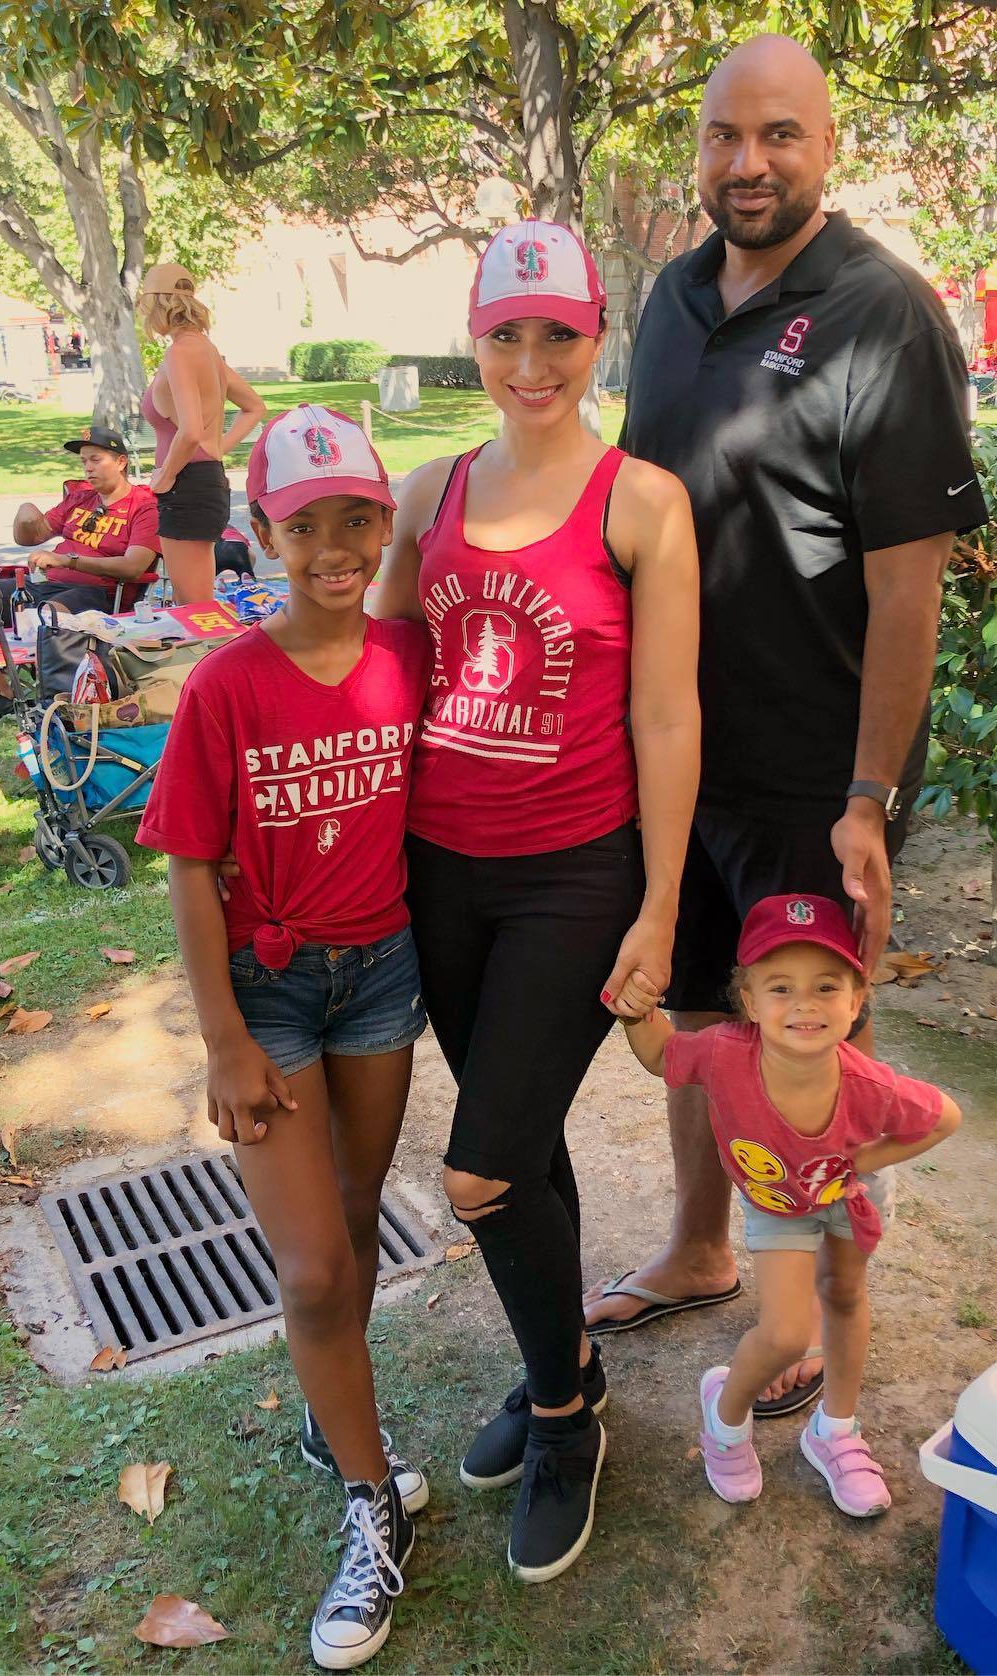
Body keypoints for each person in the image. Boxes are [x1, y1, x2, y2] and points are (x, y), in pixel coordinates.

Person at [585, 33, 987, 1423]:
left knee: (798, 1046)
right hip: (682, 752)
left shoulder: (886, 313)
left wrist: (869, 798)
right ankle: (706, 1246)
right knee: (701, 1011)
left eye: (777, 137)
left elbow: (907, 586)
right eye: (722, 137)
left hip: (819, 774)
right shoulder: (674, 297)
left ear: (827, 146)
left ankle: (801, 1309)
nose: (746, 164)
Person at [376, 219, 700, 1584]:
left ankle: (565, 1418)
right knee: (531, 1144)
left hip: (578, 877)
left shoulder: (643, 503)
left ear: (594, 337)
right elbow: (382, 665)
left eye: (555, 333)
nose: (530, 360)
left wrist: (660, 907)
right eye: (506, 334)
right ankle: (564, 1360)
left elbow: (672, 718)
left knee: (478, 1170)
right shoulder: (428, 492)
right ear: (477, 340)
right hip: (441, 870)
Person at [136, 405, 432, 1670]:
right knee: (310, 1268)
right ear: (263, 531)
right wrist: (222, 1040)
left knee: (360, 1213)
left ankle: (333, 1419)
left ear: (384, 526)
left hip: (382, 978)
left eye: (357, 520)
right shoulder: (227, 684)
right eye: (305, 525)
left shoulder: (406, 657)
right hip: (270, 998)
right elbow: (190, 867)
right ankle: (373, 1509)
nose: (334, 547)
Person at [619, 894, 960, 1509]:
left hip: (846, 1198)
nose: (804, 1004)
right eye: (780, 987)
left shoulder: (869, 1083)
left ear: (856, 1002)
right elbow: (660, 1053)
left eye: (826, 986)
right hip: (779, 1204)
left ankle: (836, 1431)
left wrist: (861, 1162)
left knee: (846, 1300)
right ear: (748, 1001)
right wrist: (634, 1010)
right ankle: (724, 1421)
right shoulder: (724, 1054)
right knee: (781, 1334)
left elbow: (943, 1117)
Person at [0, 425, 160, 725]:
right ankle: (4, 693)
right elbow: (31, 536)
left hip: (102, 594)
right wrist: (25, 512)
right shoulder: (81, 500)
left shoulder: (143, 505)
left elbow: (134, 566)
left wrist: (69, 561)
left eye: (95, 460)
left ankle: (54, 705)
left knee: (51, 619)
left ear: (121, 462)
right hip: (47, 582)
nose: (87, 468)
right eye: (84, 461)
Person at [138, 262, 266, 605]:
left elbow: (191, 429)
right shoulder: (205, 349)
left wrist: (165, 475)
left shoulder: (180, 352)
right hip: (203, 481)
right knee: (196, 601)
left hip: (187, 486)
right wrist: (217, 449)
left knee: (193, 607)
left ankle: (212, 660)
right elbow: (254, 406)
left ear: (159, 303)